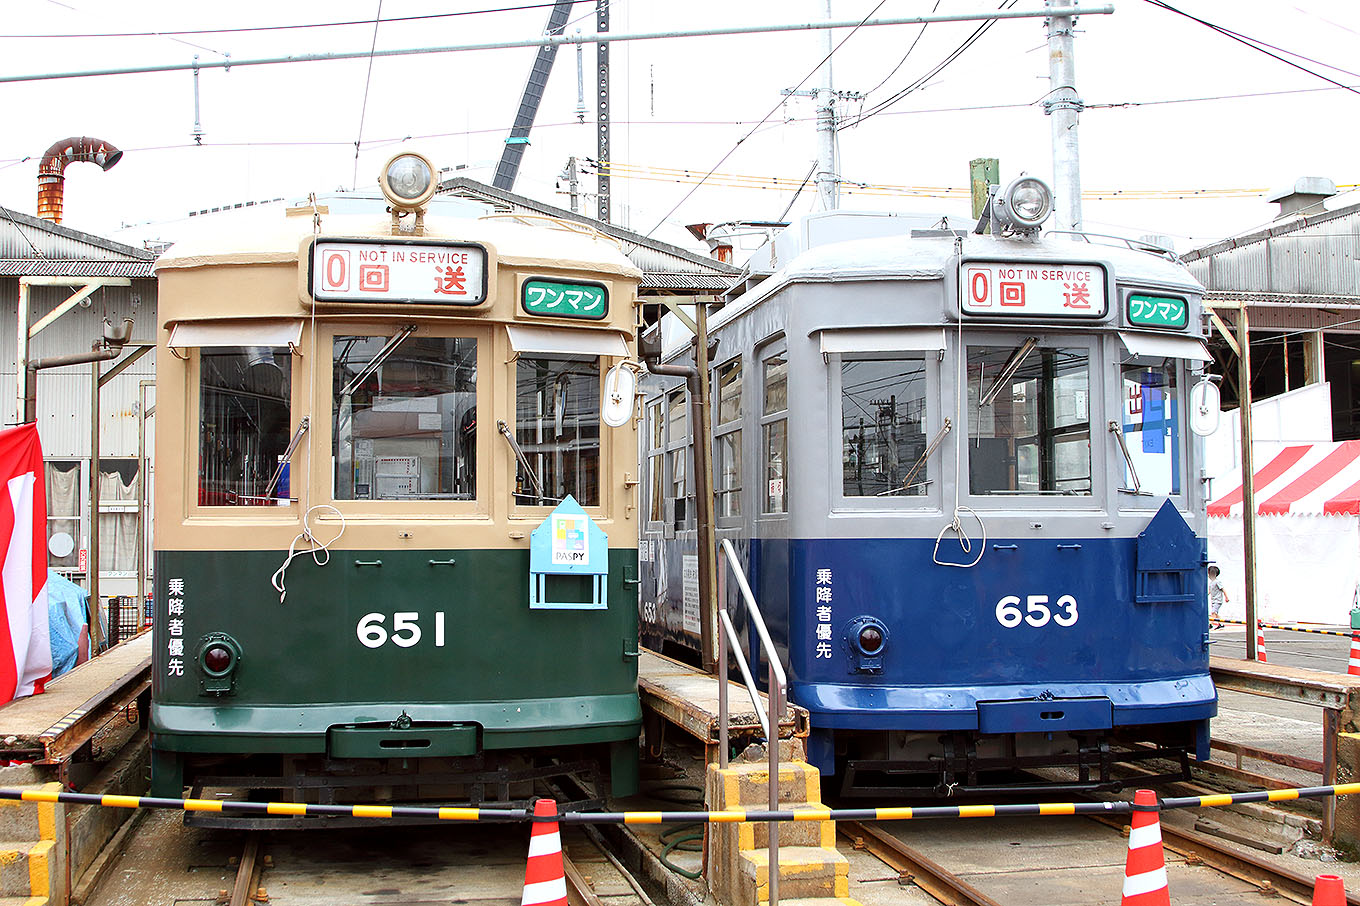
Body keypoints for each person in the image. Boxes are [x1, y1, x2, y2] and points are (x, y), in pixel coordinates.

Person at [1207, 564, 1228, 630]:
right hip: (1213, 600)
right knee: (1216, 613)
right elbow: (1209, 591)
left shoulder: (1217, 582)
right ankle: (1221, 624)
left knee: (1213, 612)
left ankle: (1210, 624)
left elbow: (1223, 589)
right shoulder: (1211, 583)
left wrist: (1226, 597)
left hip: (1218, 600)